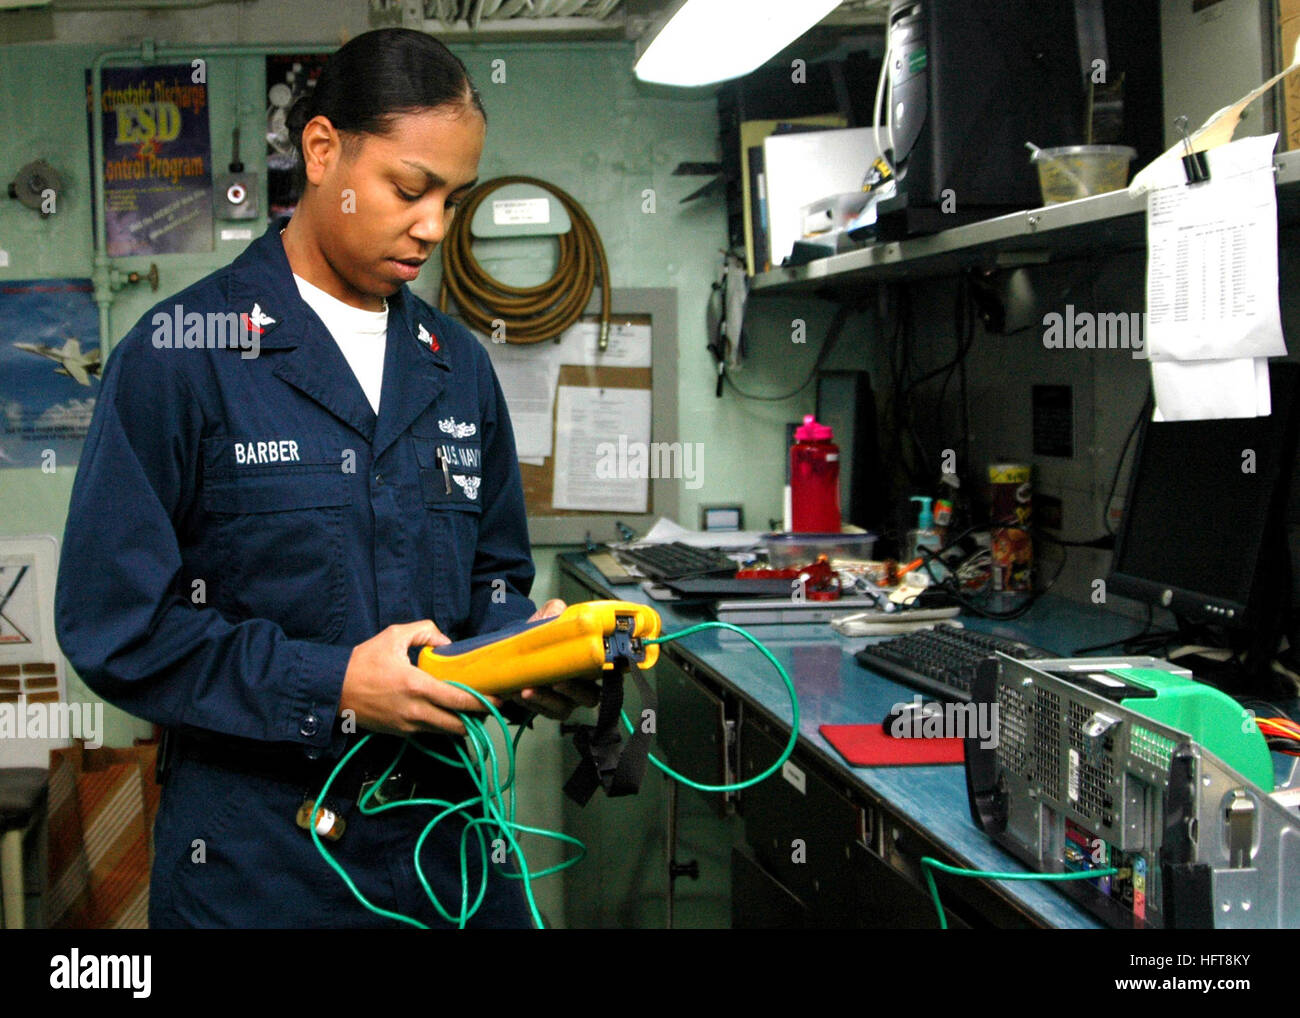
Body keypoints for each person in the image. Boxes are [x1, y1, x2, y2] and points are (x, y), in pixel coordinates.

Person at [55, 28, 595, 929]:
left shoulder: (456, 366)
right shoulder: (184, 353)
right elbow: (117, 625)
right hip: (260, 864)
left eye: (452, 199)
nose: (434, 226)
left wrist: (528, 651)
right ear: (320, 150)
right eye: (410, 189)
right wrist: (333, 683)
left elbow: (492, 582)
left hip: (444, 846)